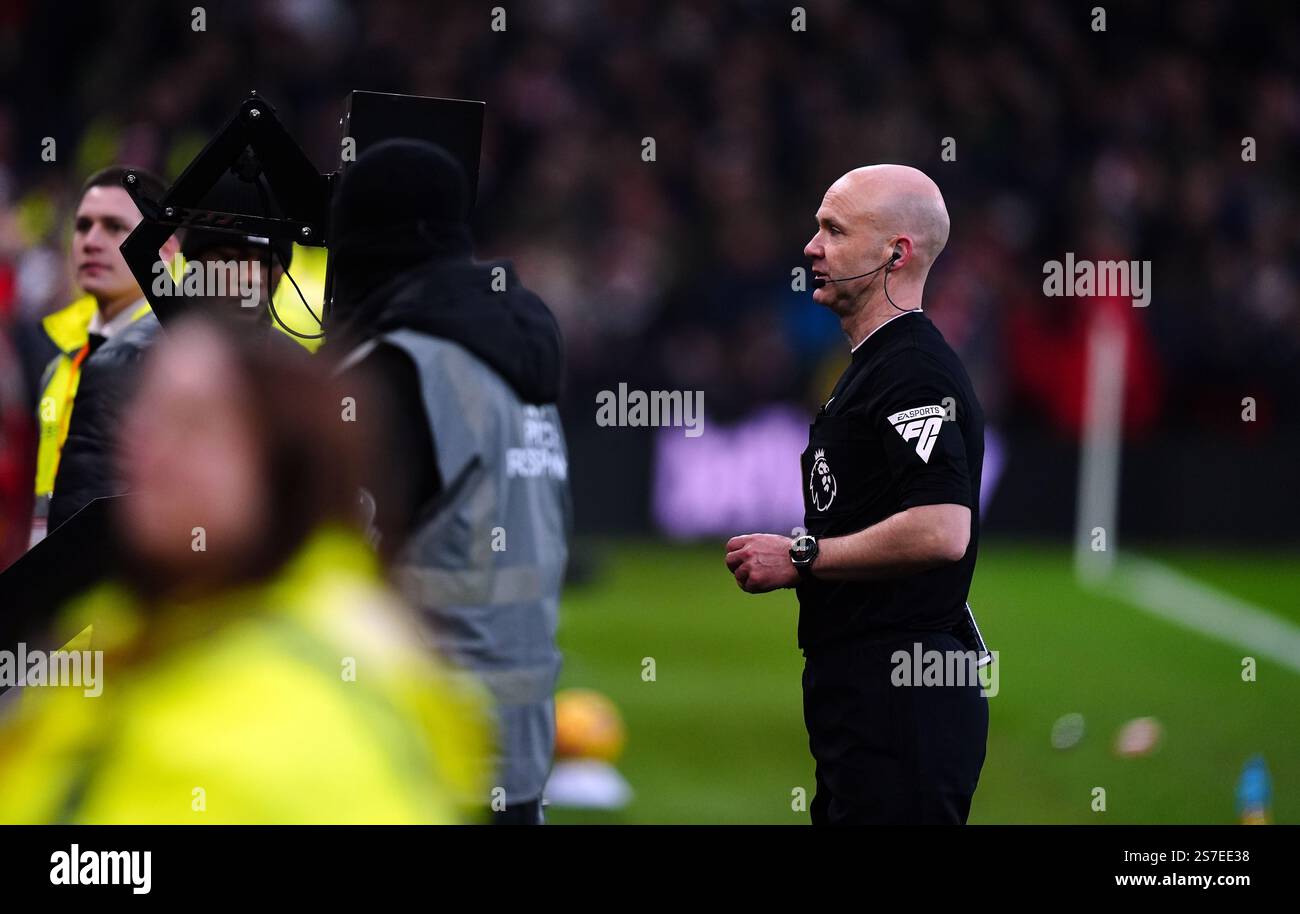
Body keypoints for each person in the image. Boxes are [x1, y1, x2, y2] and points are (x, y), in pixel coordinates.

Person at [0, 318, 490, 824]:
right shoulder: (120, 628)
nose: (149, 447)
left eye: (192, 422)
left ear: (280, 460)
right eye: (145, 413)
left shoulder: (325, 686)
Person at [725, 165, 989, 824]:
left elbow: (942, 528)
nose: (812, 247)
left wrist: (803, 556)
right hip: (870, 698)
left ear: (894, 253)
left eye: (834, 231)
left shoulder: (913, 374)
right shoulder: (873, 368)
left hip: (904, 700)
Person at [327, 138, 571, 824]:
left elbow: (319, 576)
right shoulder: (523, 368)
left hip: (419, 748)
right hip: (518, 752)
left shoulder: (398, 372)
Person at [36, 167, 179, 539]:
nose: (91, 241)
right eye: (83, 226)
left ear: (164, 251)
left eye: (114, 227)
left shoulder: (179, 364)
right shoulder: (53, 351)